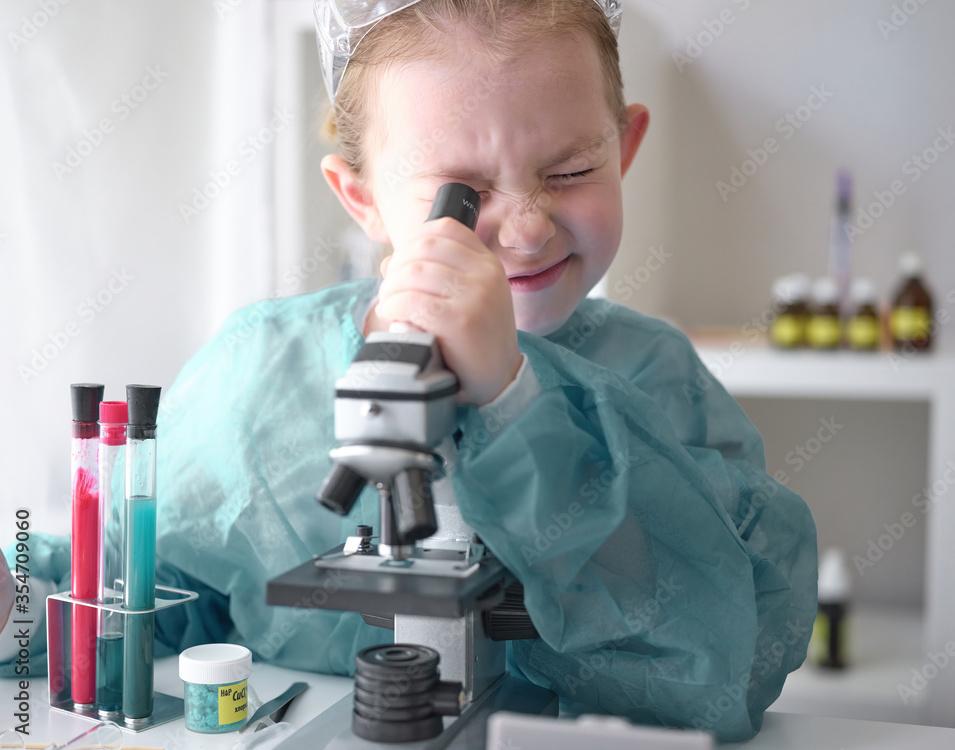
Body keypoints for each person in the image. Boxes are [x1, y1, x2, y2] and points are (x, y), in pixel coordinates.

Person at [1, 0, 817, 740]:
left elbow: (725, 668)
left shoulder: (656, 377)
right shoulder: (257, 376)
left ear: (626, 146)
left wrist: (516, 399)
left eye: (570, 171)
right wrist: (12, 607)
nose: (528, 230)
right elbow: (133, 592)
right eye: (461, 194)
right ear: (360, 199)